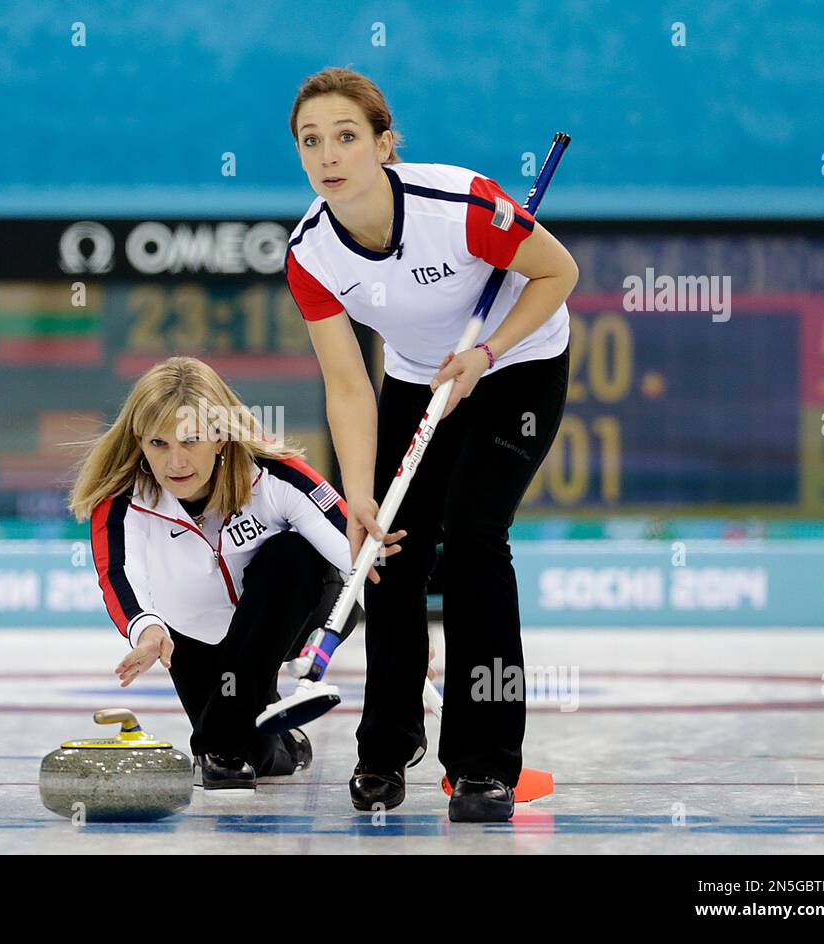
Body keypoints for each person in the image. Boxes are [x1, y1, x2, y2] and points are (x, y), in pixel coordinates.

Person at [285, 67, 577, 822]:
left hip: (518, 364)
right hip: (416, 378)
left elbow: (558, 271)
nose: (328, 155)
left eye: (346, 136)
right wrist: (360, 495)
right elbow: (348, 384)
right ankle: (385, 749)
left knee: (477, 536)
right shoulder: (311, 252)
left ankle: (484, 764)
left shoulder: (463, 206)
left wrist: (486, 354)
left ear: (385, 145)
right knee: (391, 553)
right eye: (311, 141)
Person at [69, 357, 397, 790]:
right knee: (248, 759)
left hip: (293, 617)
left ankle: (226, 731)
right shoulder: (121, 500)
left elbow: (358, 550)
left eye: (191, 440)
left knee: (292, 553)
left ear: (220, 437)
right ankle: (282, 739)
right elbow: (119, 575)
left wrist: (401, 630)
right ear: (139, 442)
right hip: (191, 634)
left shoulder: (274, 472)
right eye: (159, 443)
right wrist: (146, 629)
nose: (176, 461)